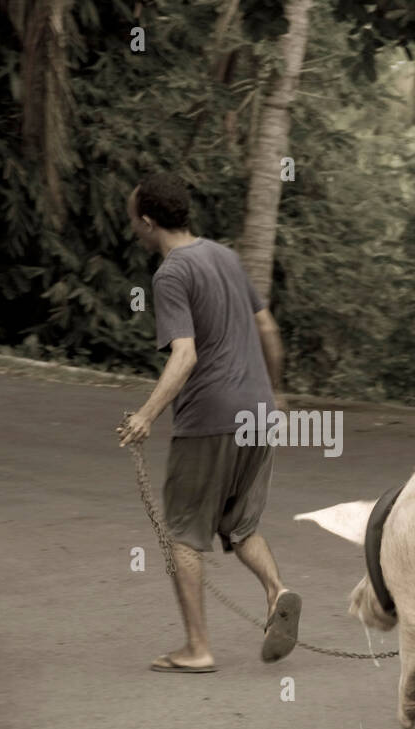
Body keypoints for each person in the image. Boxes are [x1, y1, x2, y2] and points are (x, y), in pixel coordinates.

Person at [118, 172, 300, 673]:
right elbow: (267, 325)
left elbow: (184, 354)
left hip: (210, 417)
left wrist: (145, 416)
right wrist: (276, 390)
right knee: (240, 526)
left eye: (133, 217)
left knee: (181, 533)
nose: (132, 225)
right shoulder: (226, 257)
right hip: (258, 413)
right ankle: (277, 590)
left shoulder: (171, 274)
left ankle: (197, 648)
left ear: (149, 222)